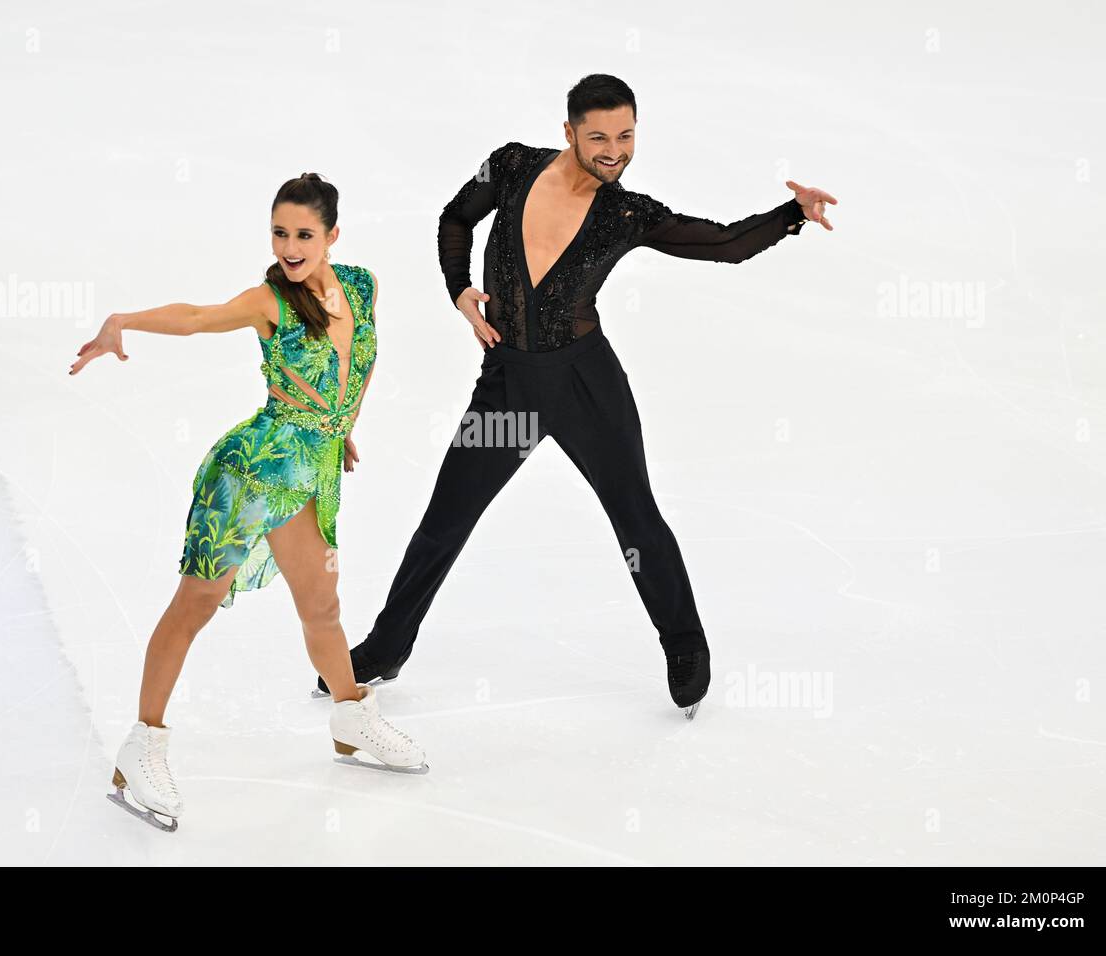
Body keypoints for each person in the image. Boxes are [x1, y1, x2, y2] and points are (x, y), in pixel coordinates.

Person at [317, 74, 837, 719]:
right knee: (446, 518)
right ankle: (386, 647)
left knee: (636, 520)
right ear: (568, 133)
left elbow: (725, 246)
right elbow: (455, 216)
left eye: (625, 136)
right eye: (599, 137)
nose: (614, 150)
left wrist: (792, 215)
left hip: (586, 386)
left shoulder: (626, 212)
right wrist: (459, 290)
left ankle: (684, 645)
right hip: (509, 390)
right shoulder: (509, 167)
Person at [70, 173, 428, 831]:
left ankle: (350, 718)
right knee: (197, 602)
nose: (290, 246)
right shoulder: (270, 301)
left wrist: (341, 427)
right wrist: (125, 321)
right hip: (252, 472)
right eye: (280, 232)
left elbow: (363, 357)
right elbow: (199, 319)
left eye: (303, 234)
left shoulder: (361, 285)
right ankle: (141, 746)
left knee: (322, 606)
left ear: (331, 236)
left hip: (310, 475)